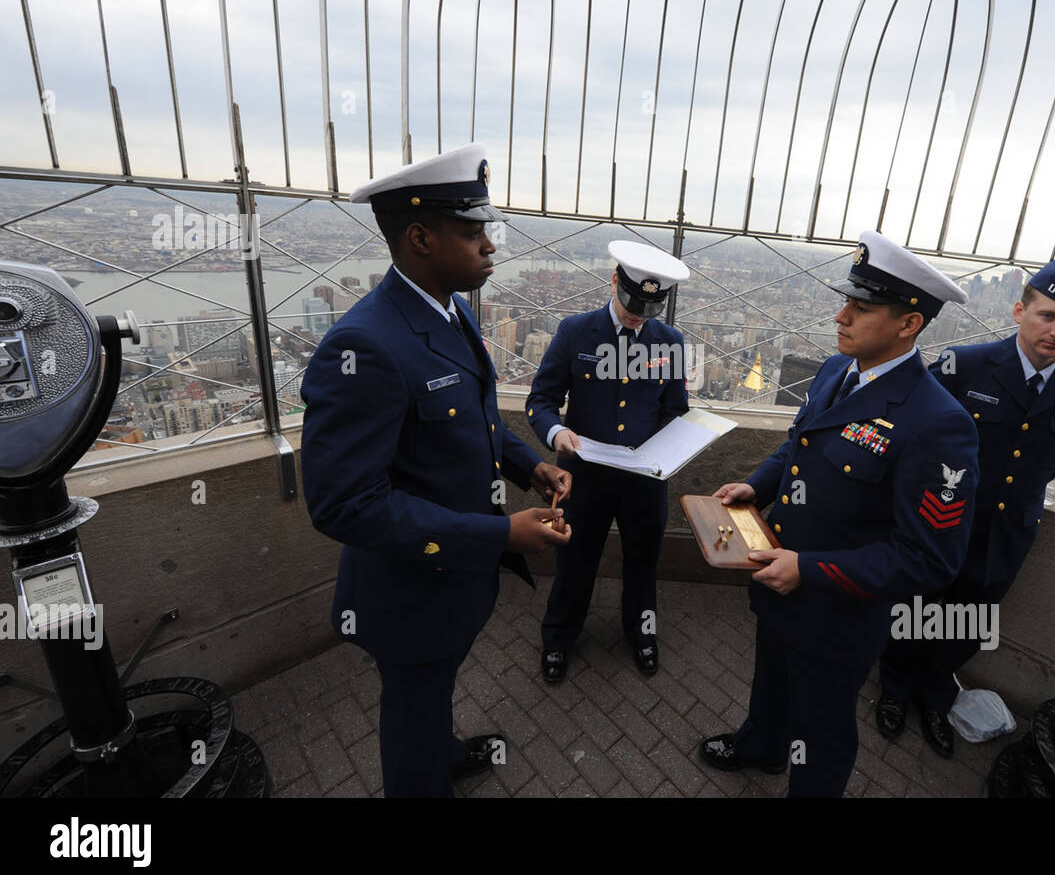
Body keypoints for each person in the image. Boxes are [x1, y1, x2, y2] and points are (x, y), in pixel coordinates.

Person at [300, 143, 573, 798]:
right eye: (472, 230)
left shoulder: (449, 310)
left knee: (432, 691)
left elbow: (470, 422)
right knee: (410, 712)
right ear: (420, 237)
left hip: (451, 581)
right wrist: (502, 536)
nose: (490, 244)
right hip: (409, 594)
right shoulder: (366, 344)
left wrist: (530, 465)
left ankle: (442, 751)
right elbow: (343, 504)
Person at [697, 231, 979, 798]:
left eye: (862, 307)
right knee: (771, 679)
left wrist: (811, 570)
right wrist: (754, 487)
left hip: (840, 612)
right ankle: (762, 747)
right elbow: (798, 447)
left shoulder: (937, 424)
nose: (841, 315)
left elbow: (928, 559)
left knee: (823, 726)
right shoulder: (835, 370)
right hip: (779, 578)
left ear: (909, 324)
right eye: (847, 299)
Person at [876, 256, 1055, 759]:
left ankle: (936, 694)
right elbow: (915, 436)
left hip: (1008, 534)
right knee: (916, 610)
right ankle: (894, 687)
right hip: (941, 523)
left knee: (968, 621)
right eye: (1048, 315)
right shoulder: (966, 364)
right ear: (1019, 309)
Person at [525, 241, 690, 683]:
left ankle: (642, 633)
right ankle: (558, 637)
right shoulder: (575, 331)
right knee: (574, 559)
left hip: (644, 478)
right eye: (633, 301)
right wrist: (556, 433)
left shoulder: (669, 341)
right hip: (586, 477)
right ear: (614, 282)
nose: (638, 314)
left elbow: (676, 409)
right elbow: (541, 400)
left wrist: (671, 446)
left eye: (650, 307)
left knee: (643, 562)